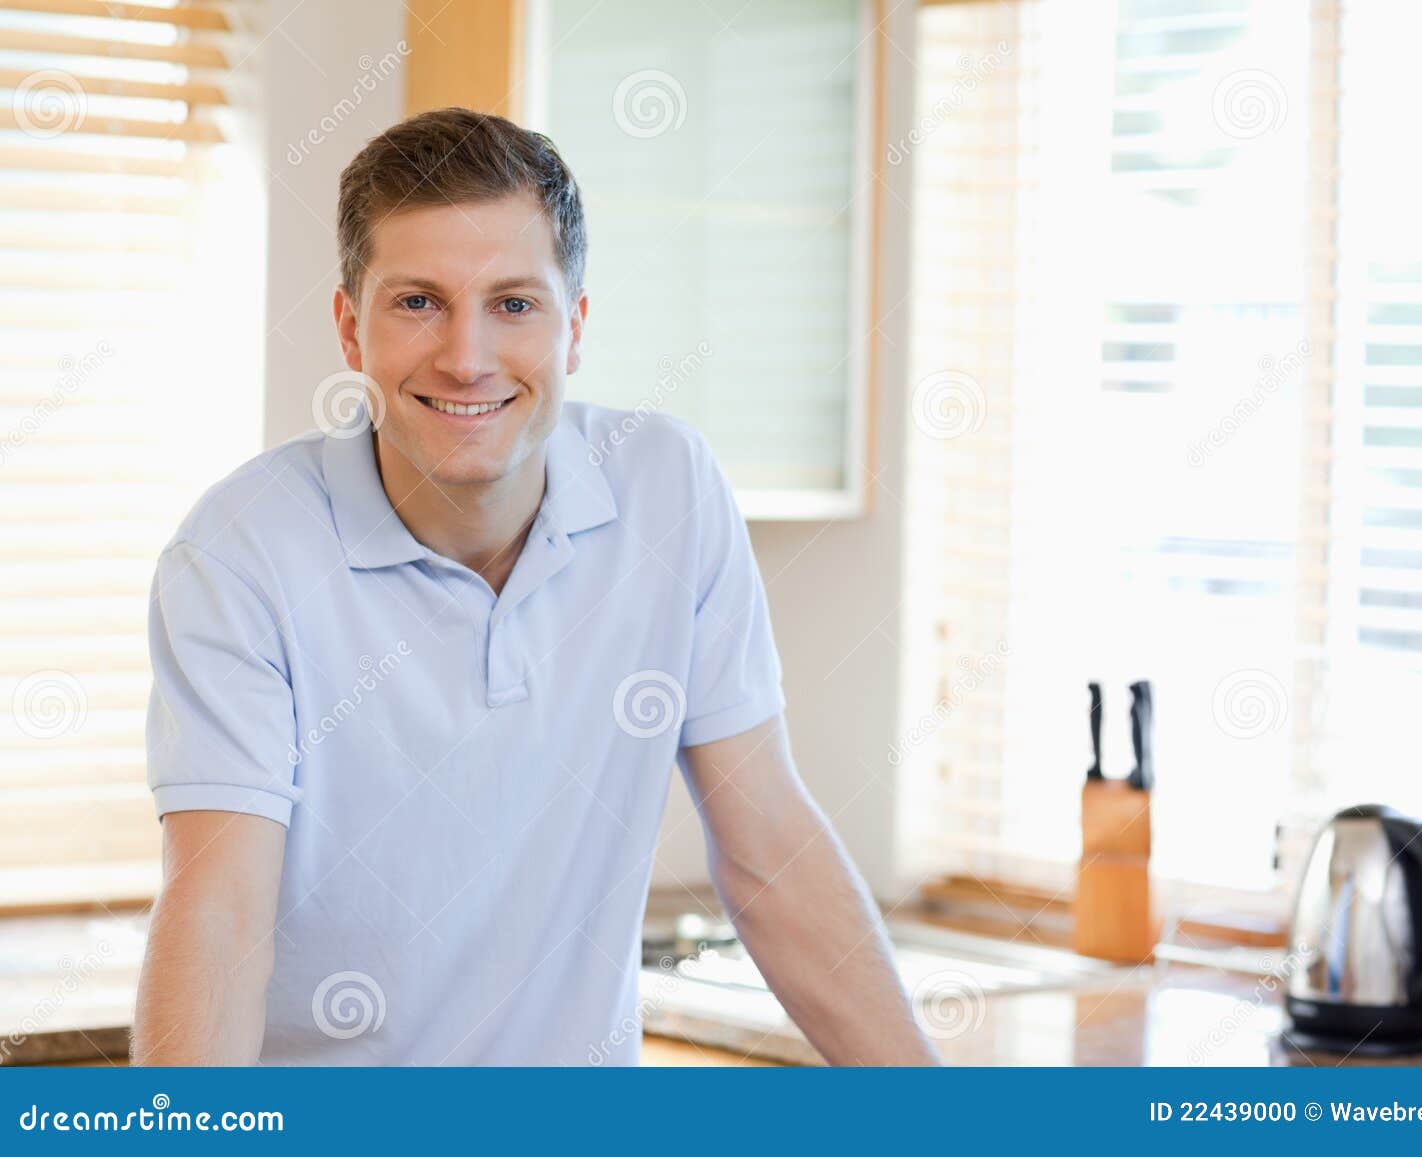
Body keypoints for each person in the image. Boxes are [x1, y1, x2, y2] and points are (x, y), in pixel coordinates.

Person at [131, 108, 938, 1066]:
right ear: (351, 328)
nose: (466, 357)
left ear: (575, 325)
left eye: (513, 303)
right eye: (418, 301)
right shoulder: (241, 552)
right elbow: (219, 912)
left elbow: (769, 843)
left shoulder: (667, 487)